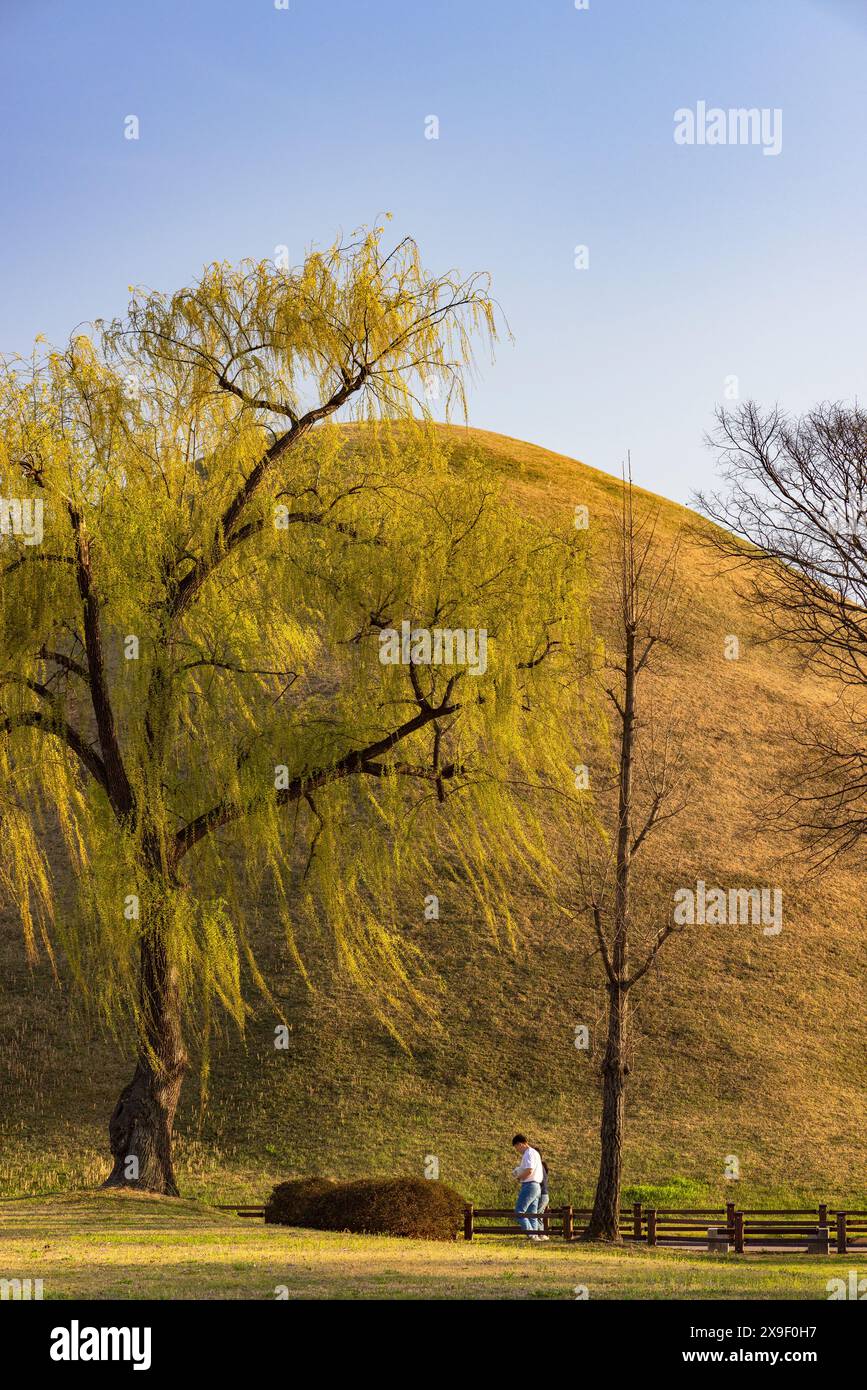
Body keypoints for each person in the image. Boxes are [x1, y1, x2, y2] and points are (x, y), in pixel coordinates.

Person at [511, 1133, 548, 1241]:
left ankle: (531, 1234)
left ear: (520, 1144)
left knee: (519, 1211)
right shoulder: (535, 1153)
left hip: (529, 1185)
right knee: (533, 1214)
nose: (517, 1150)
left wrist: (519, 1177)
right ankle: (535, 1235)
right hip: (537, 1186)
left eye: (516, 1147)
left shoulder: (528, 1153)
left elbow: (529, 1170)